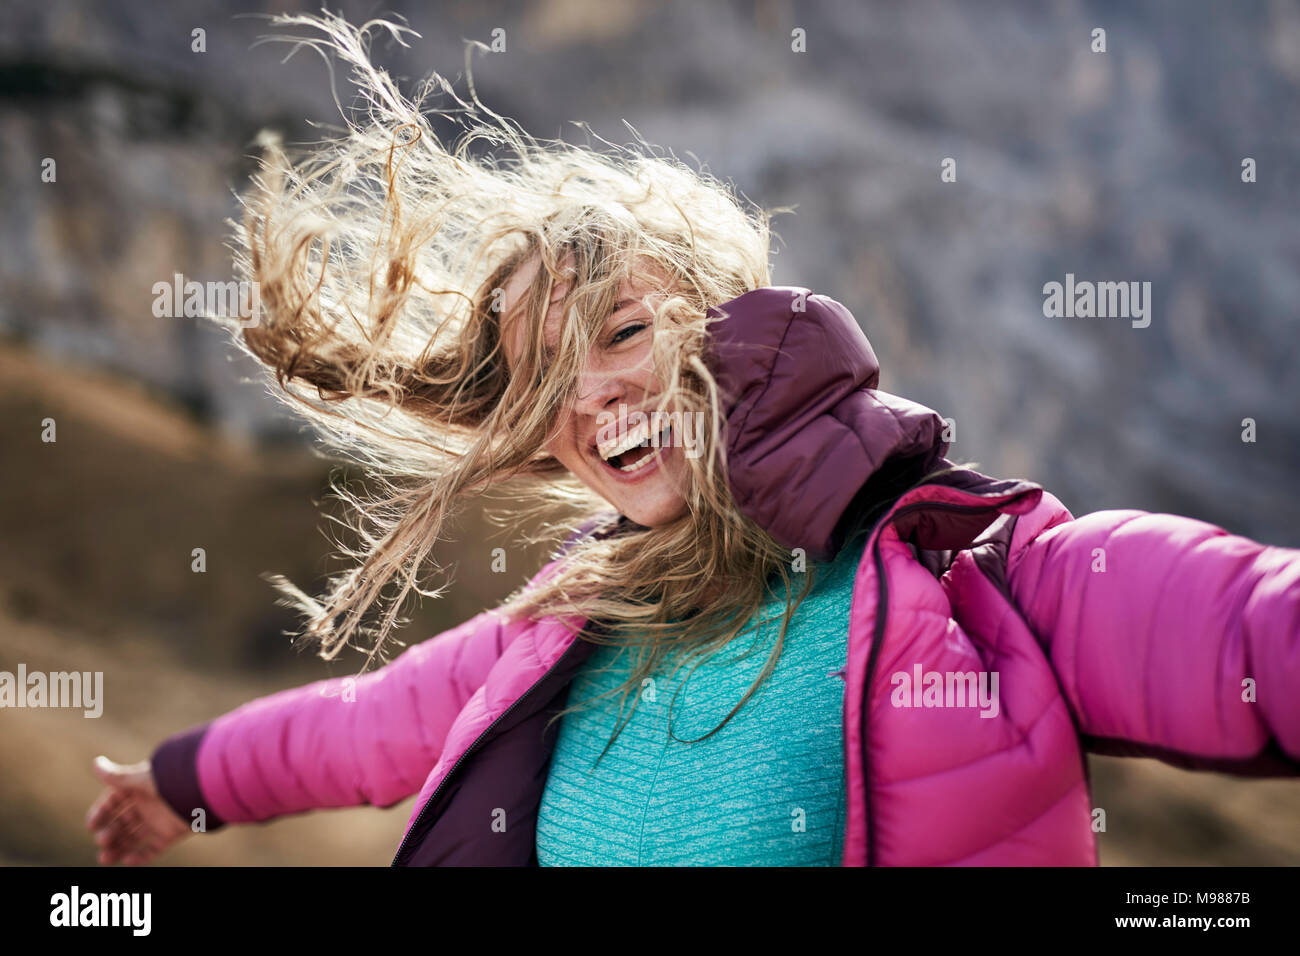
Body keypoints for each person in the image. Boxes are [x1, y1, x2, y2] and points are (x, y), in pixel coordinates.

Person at [85, 13, 1300, 867]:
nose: (593, 393)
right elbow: (362, 727)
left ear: (726, 326)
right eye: (543, 372)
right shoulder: (559, 629)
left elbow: (1248, 626)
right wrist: (175, 785)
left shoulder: (972, 574)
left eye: (620, 330)